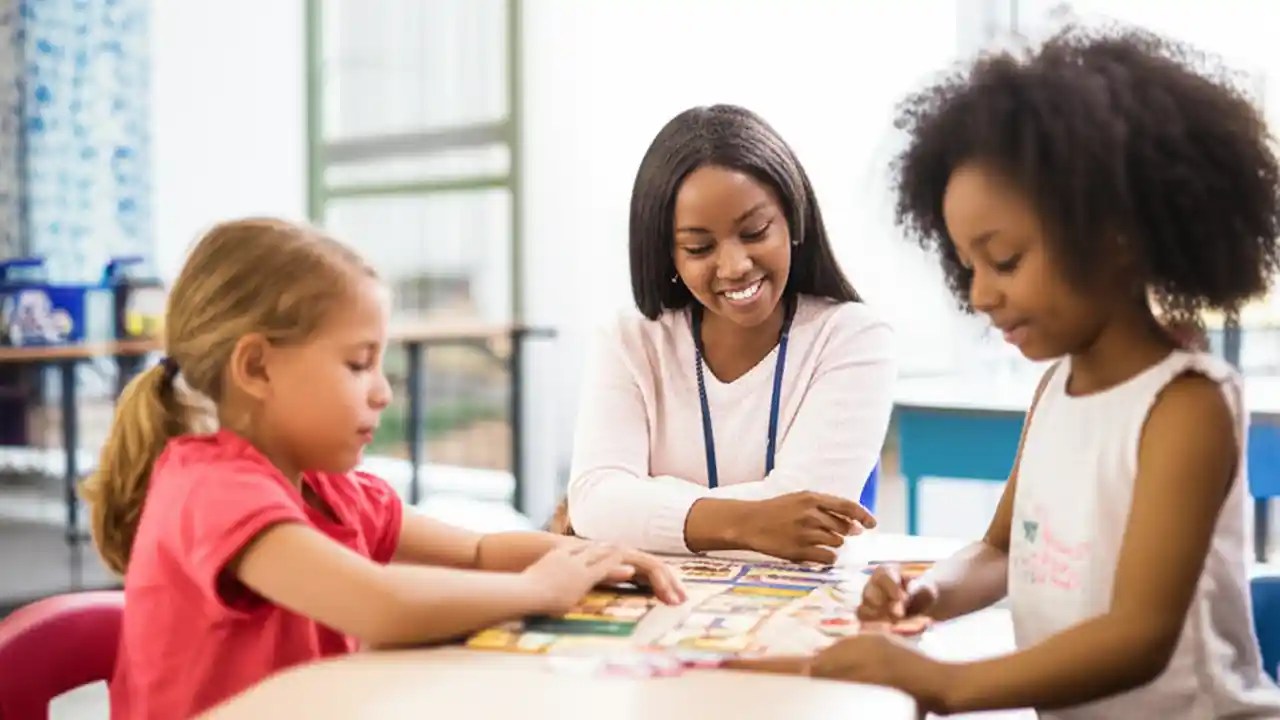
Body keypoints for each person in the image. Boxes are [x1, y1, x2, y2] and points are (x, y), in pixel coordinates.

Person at [728, 26, 1280, 717]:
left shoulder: (1184, 406)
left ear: (1116, 237)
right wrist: (927, 594)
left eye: (1006, 261)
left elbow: (1140, 637)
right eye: (970, 266)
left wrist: (945, 683)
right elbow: (997, 552)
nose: (981, 294)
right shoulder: (1058, 387)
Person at [80, 218, 686, 720]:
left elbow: (476, 551)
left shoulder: (331, 490)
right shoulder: (209, 489)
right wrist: (535, 591)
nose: (382, 394)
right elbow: (377, 606)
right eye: (358, 364)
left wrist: (594, 558)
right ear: (257, 368)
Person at [563, 104, 894, 563]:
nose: (736, 266)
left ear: (794, 219)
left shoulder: (853, 338)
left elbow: (810, 530)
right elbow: (595, 503)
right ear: (667, 255)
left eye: (756, 231)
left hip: (802, 618)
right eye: (699, 248)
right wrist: (754, 522)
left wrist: (645, 507)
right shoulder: (629, 339)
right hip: (659, 612)